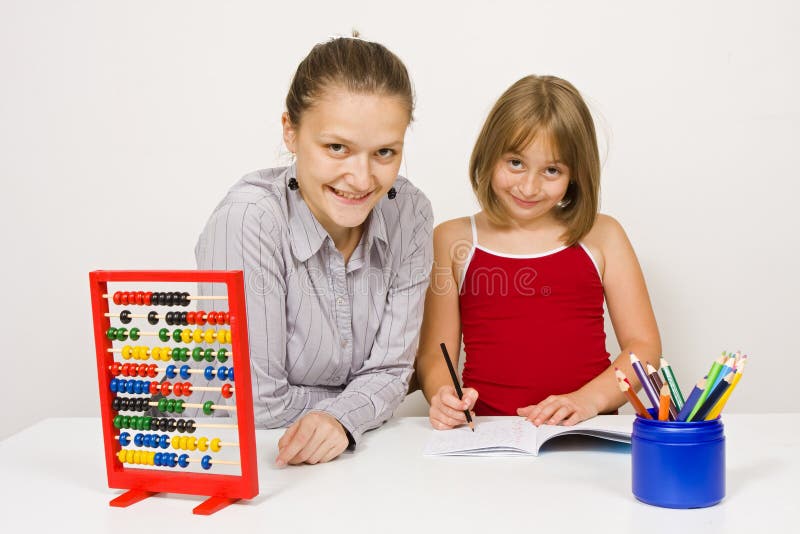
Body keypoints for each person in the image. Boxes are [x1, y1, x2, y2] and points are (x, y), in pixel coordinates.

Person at [195, 35, 433, 465]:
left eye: (384, 152)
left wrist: (343, 418)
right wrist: (354, 407)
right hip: (257, 465)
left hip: (354, 467)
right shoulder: (249, 220)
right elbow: (257, 405)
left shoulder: (410, 212)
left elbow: (392, 372)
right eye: (336, 147)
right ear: (291, 130)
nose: (361, 180)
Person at [415, 75, 661, 429]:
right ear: (489, 154)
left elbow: (645, 348)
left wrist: (587, 401)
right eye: (515, 162)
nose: (529, 187)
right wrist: (442, 394)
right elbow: (436, 354)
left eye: (551, 170)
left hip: (586, 431)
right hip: (486, 435)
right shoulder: (452, 240)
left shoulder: (604, 235)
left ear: (575, 174)